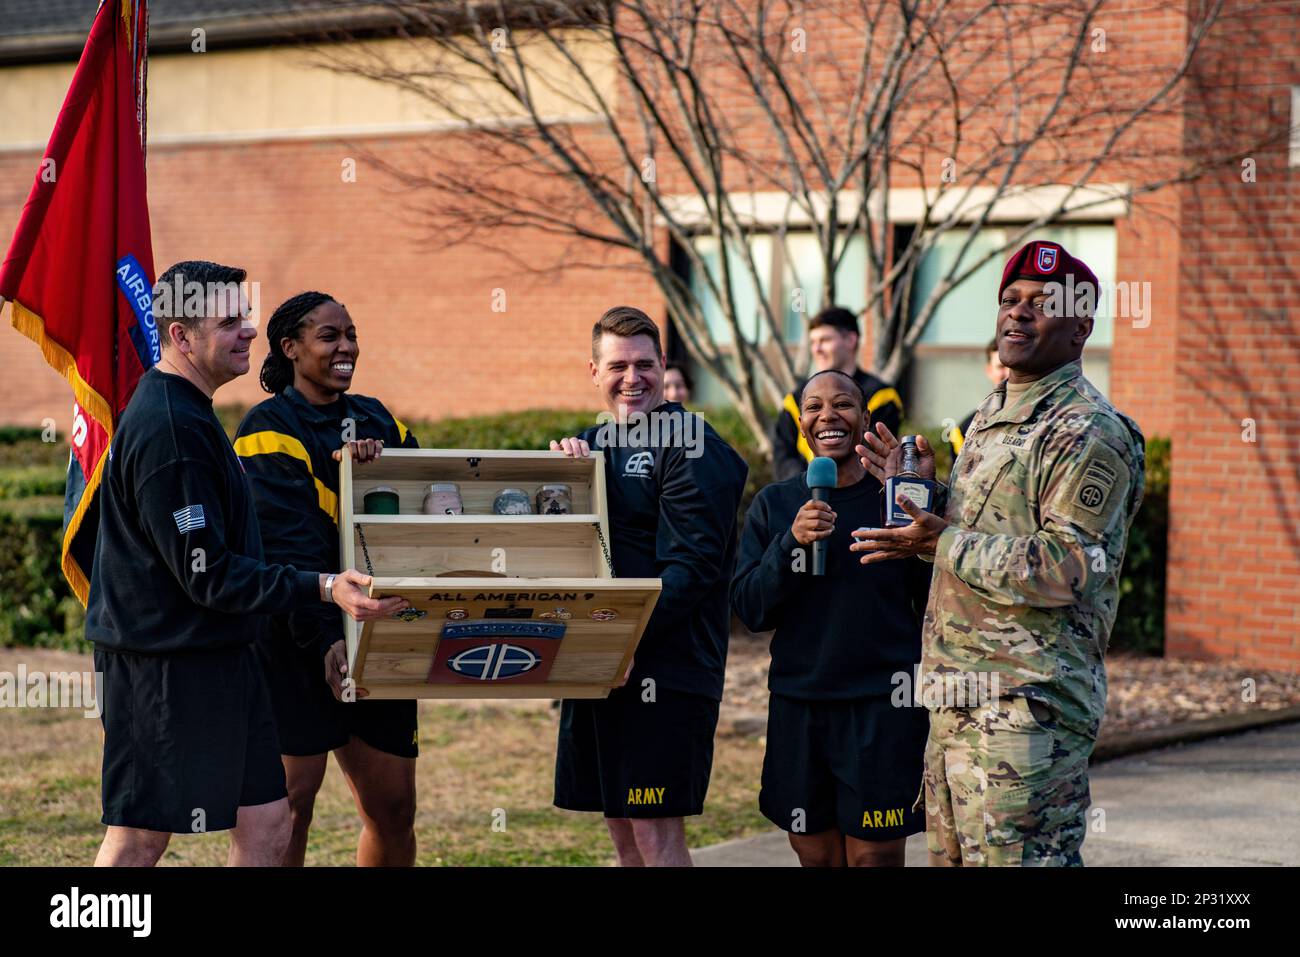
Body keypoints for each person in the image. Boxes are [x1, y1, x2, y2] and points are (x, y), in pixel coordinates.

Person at [85, 261, 406, 867]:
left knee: (267, 823)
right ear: (180, 336)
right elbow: (207, 573)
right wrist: (324, 585)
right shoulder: (170, 430)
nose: (249, 333)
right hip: (163, 666)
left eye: (247, 318)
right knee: (142, 835)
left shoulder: (195, 412)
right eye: (230, 321)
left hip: (228, 659)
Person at [851, 240, 1145, 867]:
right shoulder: (990, 415)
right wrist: (925, 499)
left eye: (1041, 303)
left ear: (1081, 327)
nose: (1018, 313)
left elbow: (1066, 569)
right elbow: (990, 537)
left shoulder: (1088, 431)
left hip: (1026, 709)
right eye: (1010, 300)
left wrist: (942, 539)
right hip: (957, 695)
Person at [549, 306, 748, 866]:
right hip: (600, 660)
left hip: (667, 666)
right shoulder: (591, 443)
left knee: (654, 829)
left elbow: (691, 569)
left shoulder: (692, 445)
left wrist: (621, 640)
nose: (632, 378)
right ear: (593, 372)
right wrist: (565, 478)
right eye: (617, 366)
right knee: (620, 821)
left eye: (644, 364)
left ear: (664, 366)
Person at [234, 291, 421, 866]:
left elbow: (427, 497)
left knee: (391, 809)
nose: (347, 348)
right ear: (290, 348)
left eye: (352, 335)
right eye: (329, 336)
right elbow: (288, 546)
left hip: (378, 635)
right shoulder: (265, 428)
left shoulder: (381, 419)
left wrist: (380, 464)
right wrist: (326, 639)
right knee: (292, 806)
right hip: (296, 641)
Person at [731, 369, 931, 867]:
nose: (828, 416)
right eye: (815, 407)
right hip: (800, 708)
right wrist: (790, 544)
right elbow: (751, 607)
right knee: (815, 855)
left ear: (865, 417)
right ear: (801, 424)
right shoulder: (776, 505)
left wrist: (925, 501)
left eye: (843, 404)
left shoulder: (898, 503)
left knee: (874, 859)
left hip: (883, 707)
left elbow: (938, 602)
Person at [772, 306, 902, 482]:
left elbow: (869, 457)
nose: (816, 349)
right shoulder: (795, 399)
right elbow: (783, 459)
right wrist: (806, 488)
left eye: (825, 340)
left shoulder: (880, 396)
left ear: (850, 340)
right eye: (813, 342)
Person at [946, 337, 1008, 460]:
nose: (1008, 373)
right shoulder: (965, 429)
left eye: (1013, 366)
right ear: (989, 371)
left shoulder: (1047, 419)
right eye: (1001, 367)